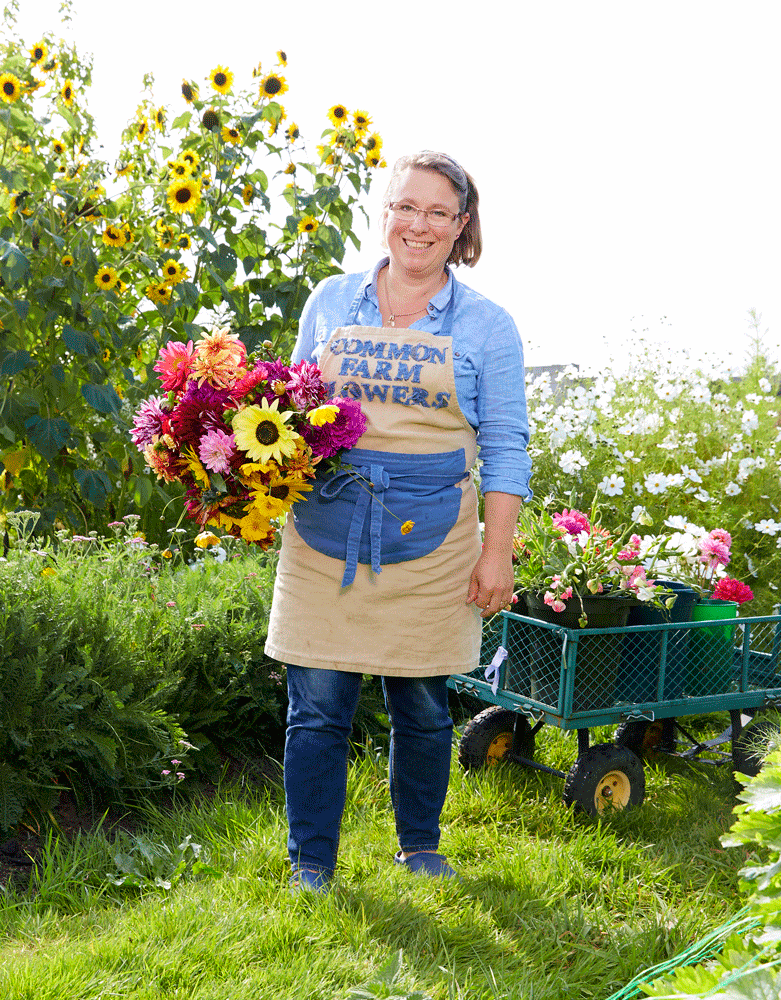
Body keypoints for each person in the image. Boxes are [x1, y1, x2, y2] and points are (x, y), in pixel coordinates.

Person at [265, 150, 531, 892]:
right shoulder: (330, 300)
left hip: (434, 534)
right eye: (406, 207)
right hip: (326, 528)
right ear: (385, 214)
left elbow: (507, 443)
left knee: (420, 704)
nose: (419, 224)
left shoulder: (487, 326)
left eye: (439, 212)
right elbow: (288, 408)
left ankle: (419, 846)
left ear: (462, 226)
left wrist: (497, 552)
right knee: (317, 707)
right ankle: (311, 861)